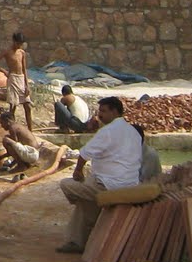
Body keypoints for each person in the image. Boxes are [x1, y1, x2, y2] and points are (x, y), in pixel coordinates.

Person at [56, 96, 144, 252]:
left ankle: (77, 240)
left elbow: (84, 154)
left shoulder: (108, 131)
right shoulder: (134, 132)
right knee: (88, 193)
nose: (100, 115)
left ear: (115, 111)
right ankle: (78, 238)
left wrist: (77, 171)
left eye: (103, 111)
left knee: (67, 185)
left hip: (109, 186)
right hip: (130, 184)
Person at [0, 31, 33, 131]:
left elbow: (24, 69)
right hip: (13, 79)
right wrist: (4, 71)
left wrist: (27, 85)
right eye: (18, 43)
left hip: (21, 79)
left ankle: (30, 130)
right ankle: (12, 129)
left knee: (27, 106)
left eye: (21, 44)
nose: (19, 45)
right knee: (13, 106)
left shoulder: (22, 53)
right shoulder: (7, 52)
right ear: (14, 41)